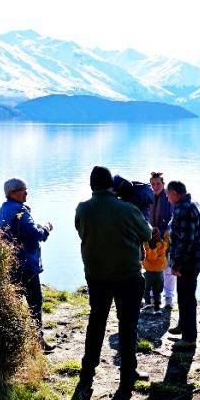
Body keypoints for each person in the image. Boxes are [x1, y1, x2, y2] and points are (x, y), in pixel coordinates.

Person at [75, 165, 154, 386]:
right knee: (127, 326)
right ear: (112, 185)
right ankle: (128, 374)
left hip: (96, 276)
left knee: (96, 323)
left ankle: (87, 372)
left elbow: (81, 230)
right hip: (127, 276)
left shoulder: (82, 209)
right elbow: (147, 233)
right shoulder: (128, 209)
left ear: (91, 185)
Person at [0, 178, 55, 351]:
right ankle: (38, 341)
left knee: (13, 303)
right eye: (23, 189)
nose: (26, 192)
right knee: (35, 302)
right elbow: (35, 234)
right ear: (12, 193)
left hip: (9, 264)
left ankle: (11, 343)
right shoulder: (20, 211)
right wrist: (46, 228)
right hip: (26, 264)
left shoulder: (1, 211)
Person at [165, 179, 200, 349]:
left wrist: (176, 264)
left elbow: (186, 241)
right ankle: (183, 326)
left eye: (168, 195)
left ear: (175, 193)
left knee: (187, 298)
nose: (167, 199)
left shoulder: (183, 209)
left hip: (188, 262)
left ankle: (189, 338)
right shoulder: (196, 205)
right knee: (184, 296)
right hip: (195, 259)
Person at [148, 172, 175, 309]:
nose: (155, 186)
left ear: (163, 184)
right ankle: (153, 297)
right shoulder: (148, 196)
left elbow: (174, 217)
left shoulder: (169, 197)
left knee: (168, 269)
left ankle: (169, 298)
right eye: (153, 184)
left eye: (158, 183)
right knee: (152, 267)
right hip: (151, 238)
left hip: (166, 238)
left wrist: (165, 230)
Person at [142, 228, 169, 311]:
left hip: (148, 272)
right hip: (159, 272)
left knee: (146, 289)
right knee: (157, 290)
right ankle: (157, 308)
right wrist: (167, 230)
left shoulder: (146, 245)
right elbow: (167, 239)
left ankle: (147, 304)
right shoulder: (163, 245)